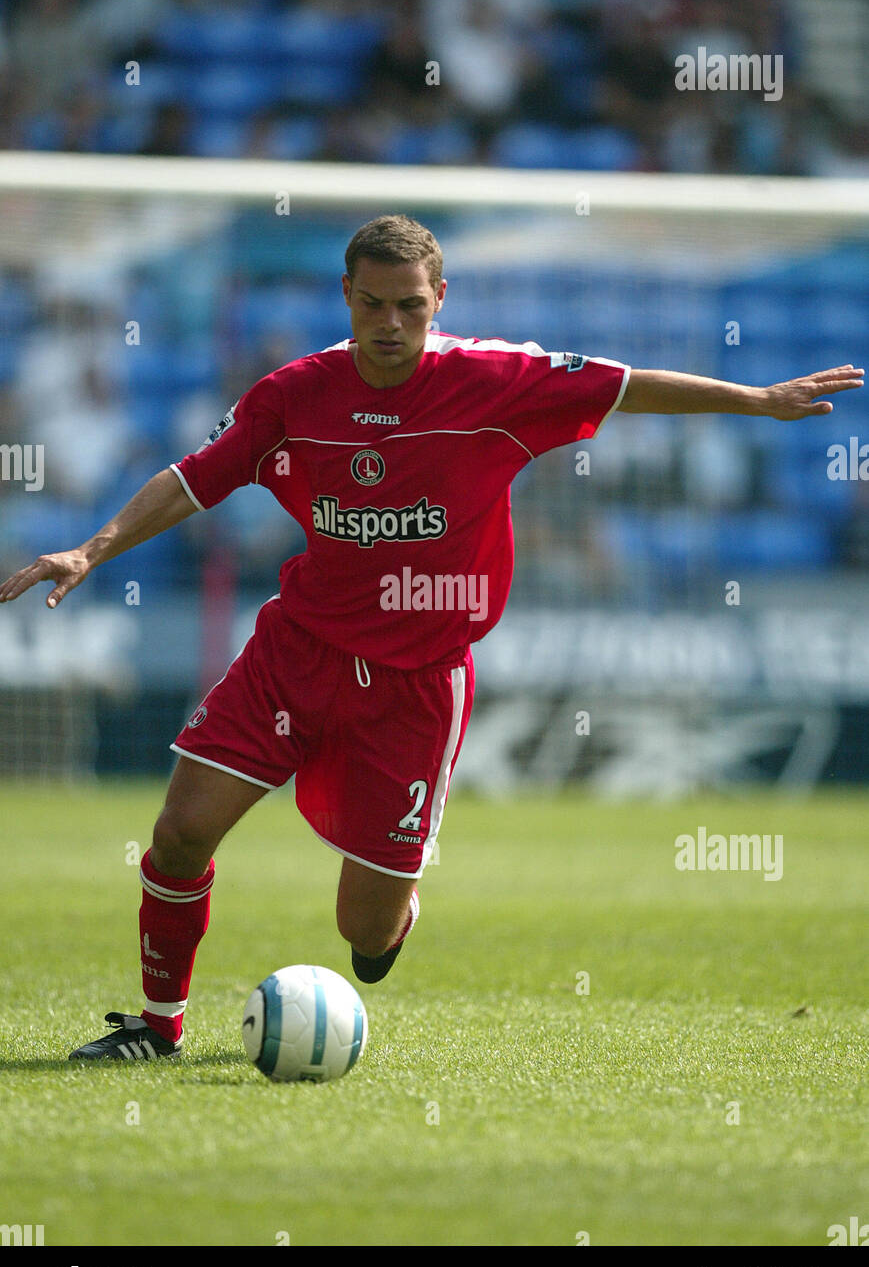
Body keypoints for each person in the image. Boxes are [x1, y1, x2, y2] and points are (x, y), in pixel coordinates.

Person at [0, 214, 862, 1062]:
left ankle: (395, 908)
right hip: (295, 654)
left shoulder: (495, 380)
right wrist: (93, 546)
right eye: (372, 304)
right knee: (182, 831)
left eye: (409, 306)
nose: (390, 325)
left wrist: (753, 400)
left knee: (364, 940)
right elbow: (194, 479)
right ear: (345, 297)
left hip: (417, 683)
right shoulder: (293, 394)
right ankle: (156, 1027)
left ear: (439, 298)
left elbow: (625, 383)